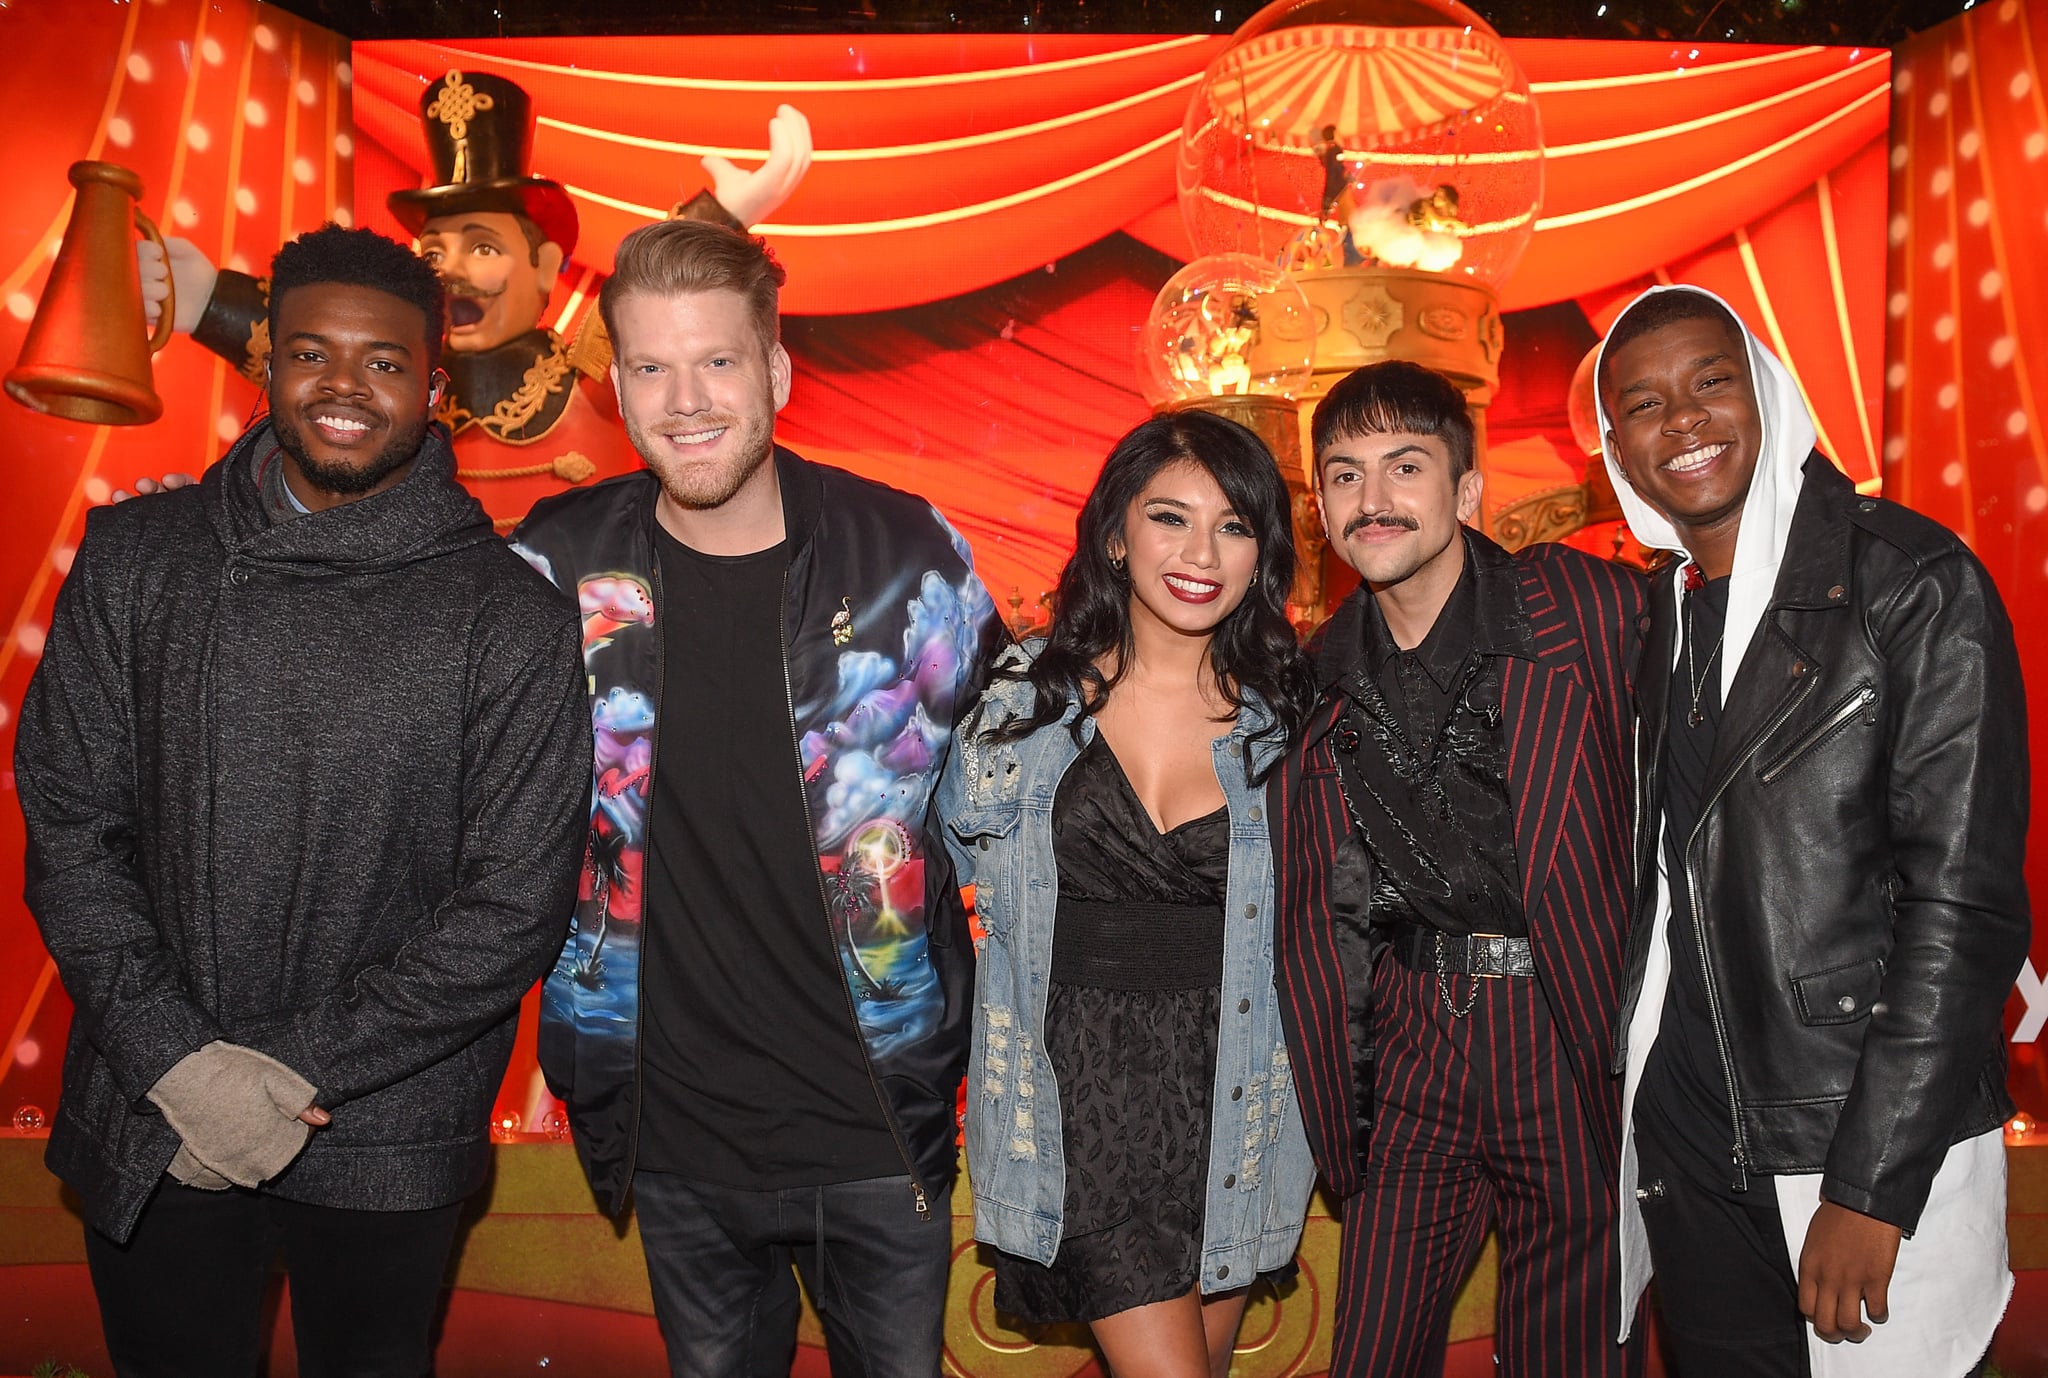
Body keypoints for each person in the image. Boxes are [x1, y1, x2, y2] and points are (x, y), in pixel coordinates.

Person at [13, 224, 591, 1377]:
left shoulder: (509, 616)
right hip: (156, 1102)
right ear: (266, 361)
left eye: (382, 363)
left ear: (433, 389)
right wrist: (182, 1060)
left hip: (387, 1121)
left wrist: (285, 1073)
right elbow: (71, 829)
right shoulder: (134, 558)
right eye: (311, 354)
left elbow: (510, 909)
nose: (344, 388)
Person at [509, 218, 1003, 1378]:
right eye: (650, 366)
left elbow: (1018, 799)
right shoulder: (552, 564)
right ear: (617, 384)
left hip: (875, 1125)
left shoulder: (905, 552)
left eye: (717, 361)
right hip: (671, 1137)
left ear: (775, 371)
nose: (685, 399)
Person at [1598, 285, 2029, 1378]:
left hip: (1843, 1131)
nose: (1682, 422)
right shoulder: (1650, 621)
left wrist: (1869, 1183)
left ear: (1766, 390)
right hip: (1689, 1149)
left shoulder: (1911, 583)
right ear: (1615, 448)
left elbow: (1961, 905)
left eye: (1709, 381)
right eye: (1642, 404)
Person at [1268, 360, 1647, 1377]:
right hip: (1411, 1033)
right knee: (1371, 1350)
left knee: (1570, 1350)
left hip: (1564, 1024)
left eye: (1404, 466)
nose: (1373, 499)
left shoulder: (1593, 612)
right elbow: (1319, 903)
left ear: (1466, 490)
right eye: (1343, 476)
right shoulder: (1314, 680)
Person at [938, 411, 1318, 1378]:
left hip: (1236, 1093)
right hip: (1079, 1097)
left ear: (1261, 553)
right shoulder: (1025, 702)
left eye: (1234, 526)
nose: (1201, 553)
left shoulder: (1293, 720)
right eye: (1170, 518)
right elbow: (931, 866)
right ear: (1116, 535)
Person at [141, 68, 811, 528]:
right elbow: (313, 358)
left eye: (483, 248)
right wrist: (206, 301)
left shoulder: (591, 370)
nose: (449, 271)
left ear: (544, 267)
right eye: (433, 252)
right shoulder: (396, 380)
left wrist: (723, 211)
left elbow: (652, 296)